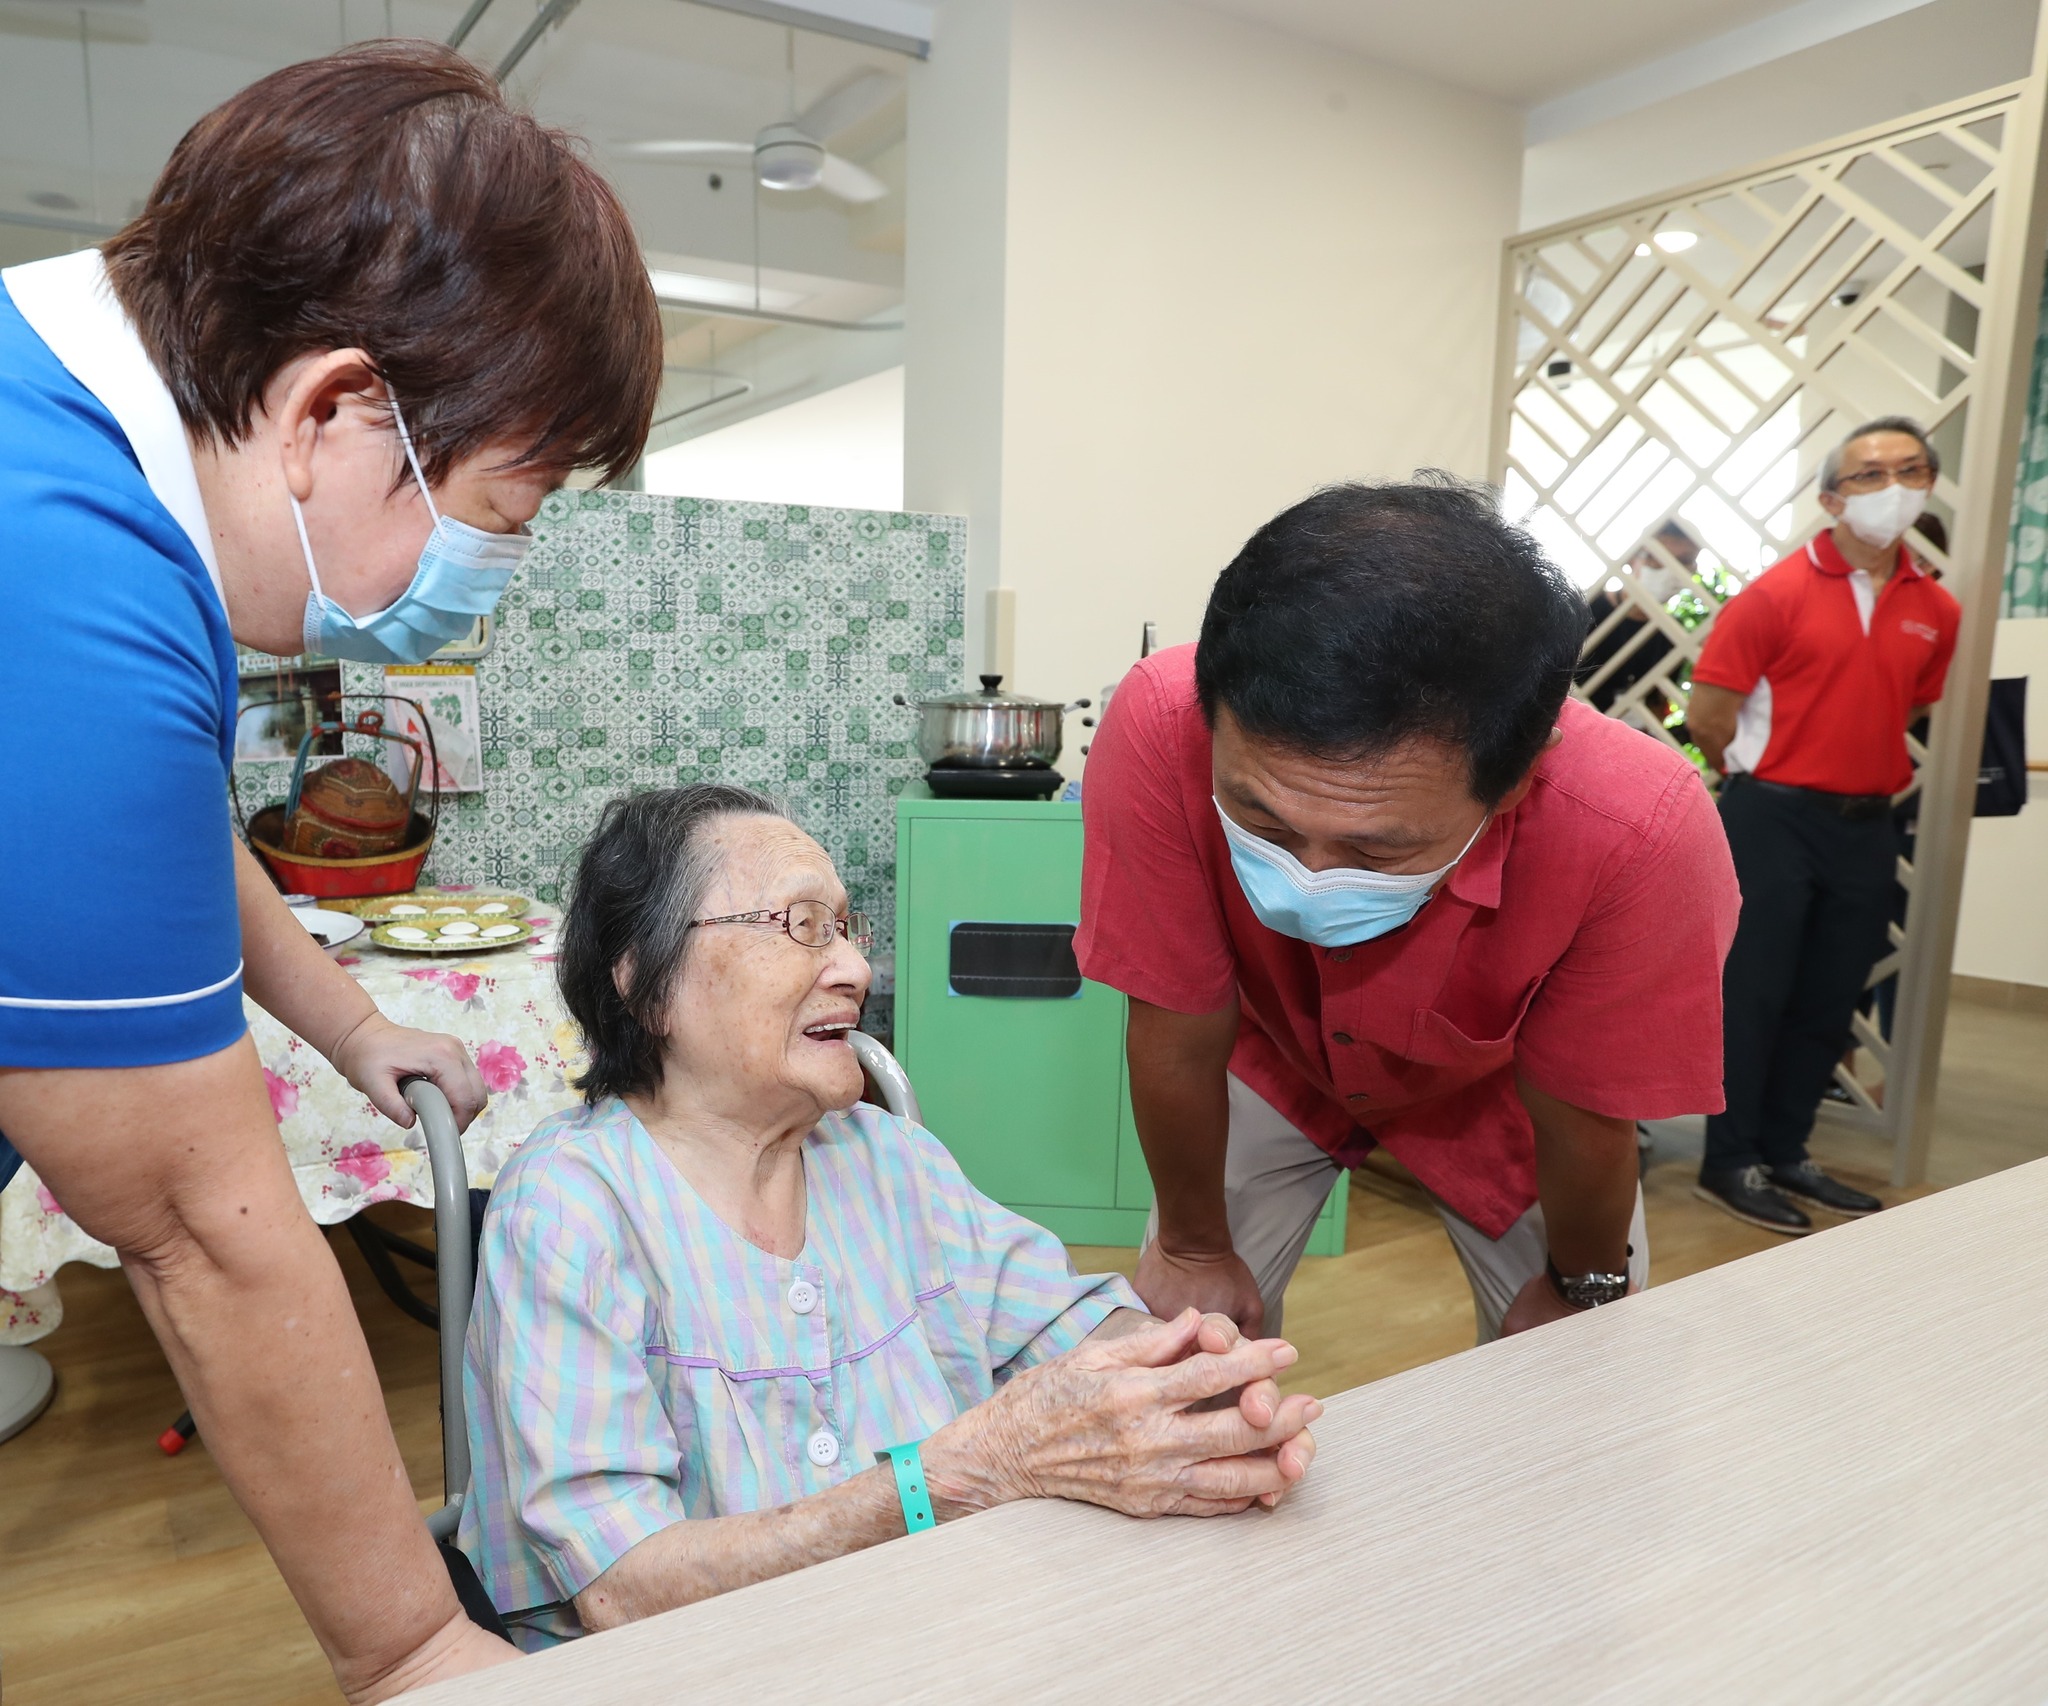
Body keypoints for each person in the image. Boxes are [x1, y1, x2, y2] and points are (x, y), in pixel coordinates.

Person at [0, 44, 661, 1701]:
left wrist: (352, 1026)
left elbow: (155, 829)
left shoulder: (62, 442)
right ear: (331, 414)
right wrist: (419, 1647)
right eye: (502, 511)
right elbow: (202, 1230)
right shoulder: (60, 575)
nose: (489, 572)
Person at [460, 787, 1319, 1646]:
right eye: (802, 925)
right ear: (647, 986)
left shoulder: (887, 1157)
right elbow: (622, 1589)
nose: (855, 969)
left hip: (930, 1633)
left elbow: (1063, 1324)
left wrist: (1184, 1375)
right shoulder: (569, 1210)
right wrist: (951, 1476)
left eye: (845, 928)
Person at [1075, 476, 1740, 1344]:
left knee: (1583, 1367)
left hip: (1503, 1091)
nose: (1310, 878)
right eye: (1263, 821)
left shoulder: (1639, 830)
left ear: (1519, 779)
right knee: (1180, 1348)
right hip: (1271, 1053)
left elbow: (1586, 1111)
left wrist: (1581, 1287)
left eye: (1377, 850)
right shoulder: (1163, 723)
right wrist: (1193, 1246)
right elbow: (1176, 1018)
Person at [1687, 418, 1961, 1232]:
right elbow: (1707, 715)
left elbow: (1908, 705)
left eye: (1910, 470)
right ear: (1832, 498)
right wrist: (1768, 771)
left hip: (1867, 823)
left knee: (1831, 992)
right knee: (1754, 992)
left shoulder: (1936, 608)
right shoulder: (1774, 594)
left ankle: (1788, 1149)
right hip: (1771, 816)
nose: (1892, 488)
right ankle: (1729, 1161)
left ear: (1930, 484)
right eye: (1869, 474)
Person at [1579, 518, 1701, 732]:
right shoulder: (1583, 608)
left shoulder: (1673, 636)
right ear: (1632, 557)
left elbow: (1658, 705)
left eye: (1684, 561)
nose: (1671, 570)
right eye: (1657, 558)